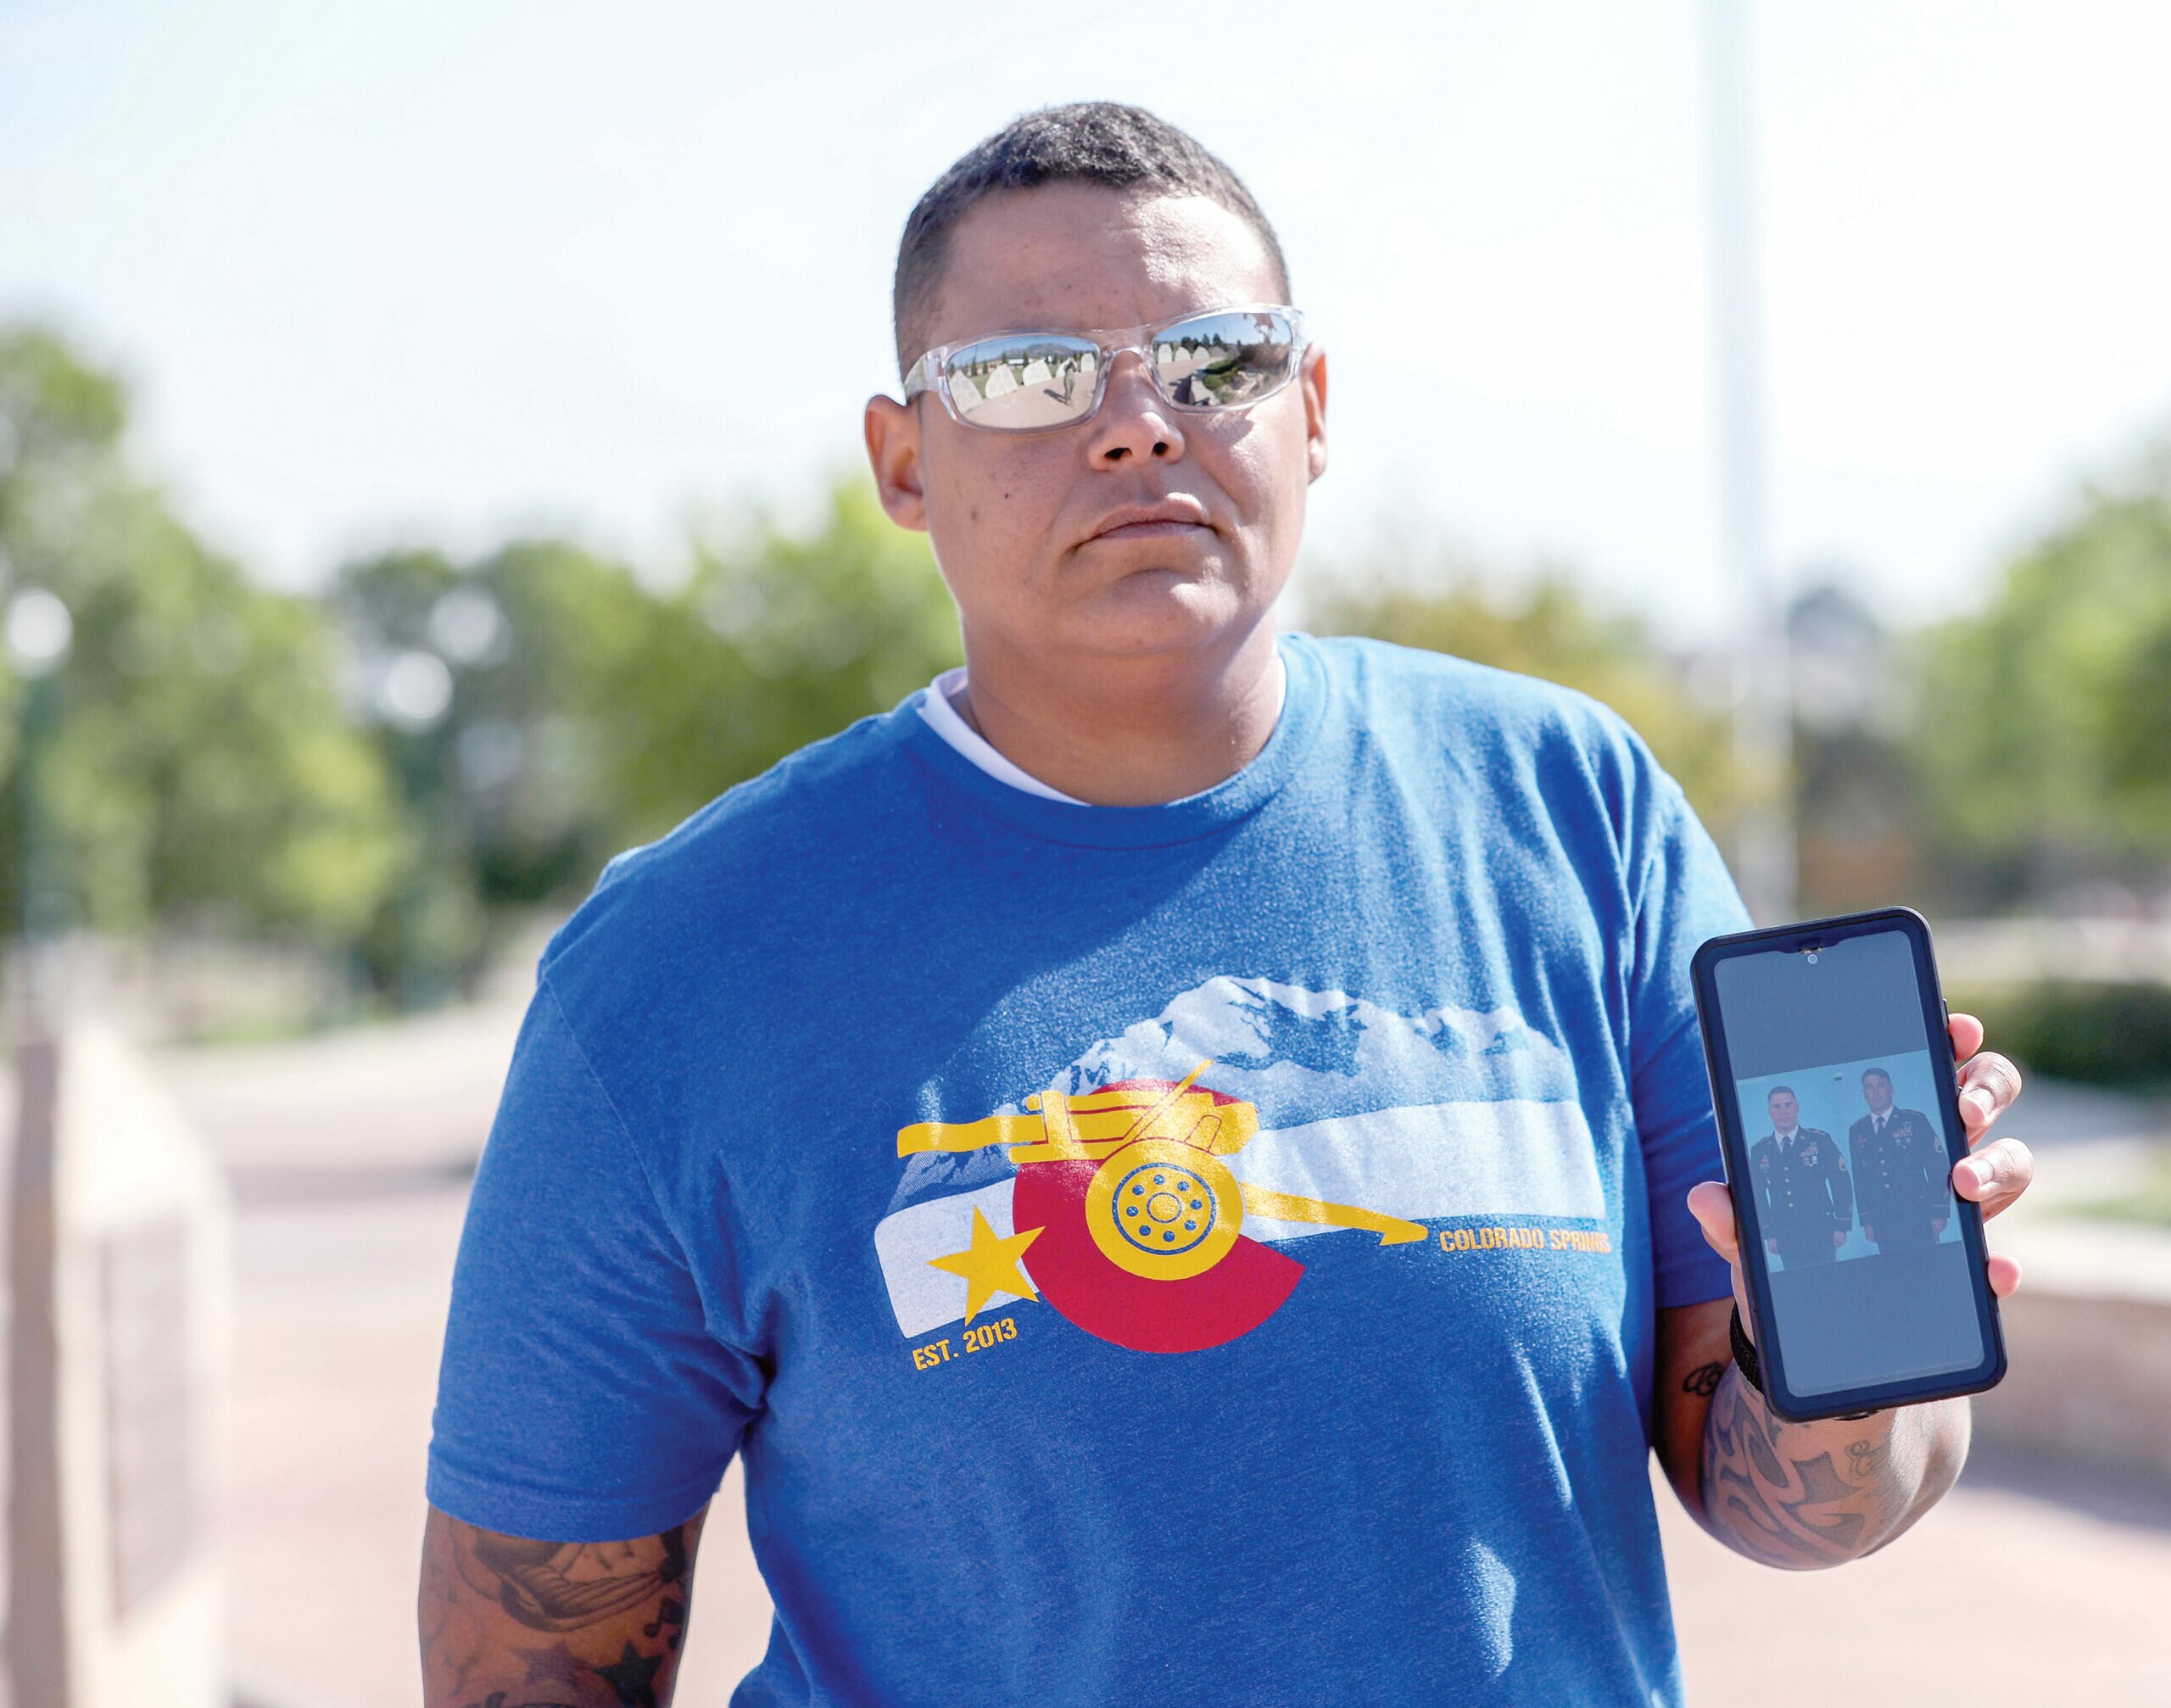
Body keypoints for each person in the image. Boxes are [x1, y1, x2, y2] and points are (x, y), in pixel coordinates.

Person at [418, 103, 2036, 1706]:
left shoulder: (1574, 808)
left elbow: (1801, 1505)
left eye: (1215, 359)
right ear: (904, 462)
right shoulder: (675, 975)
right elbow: (528, 1662)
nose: (1137, 424)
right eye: (1029, 374)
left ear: (1312, 408)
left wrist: (1839, 1359)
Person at [1748, 1086, 1854, 1268]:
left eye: (1788, 1105)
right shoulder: (1760, 1150)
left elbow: (1840, 1182)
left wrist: (1841, 1225)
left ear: (1797, 1107)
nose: (1784, 1112)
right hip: (1785, 1234)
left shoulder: (1819, 1141)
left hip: (1821, 1230)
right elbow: (1758, 1194)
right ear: (1770, 1111)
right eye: (1777, 1107)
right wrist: (1769, 1233)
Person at [1850, 1065, 1952, 1250]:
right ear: (1864, 1092)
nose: (1875, 1092)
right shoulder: (1857, 1130)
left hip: (1919, 1214)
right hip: (1883, 1221)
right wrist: (1867, 1220)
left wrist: (1939, 1211)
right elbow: (1859, 1178)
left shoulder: (1914, 1121)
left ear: (1891, 1088)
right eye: (1869, 1087)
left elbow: (1938, 1167)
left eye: (1881, 1085)